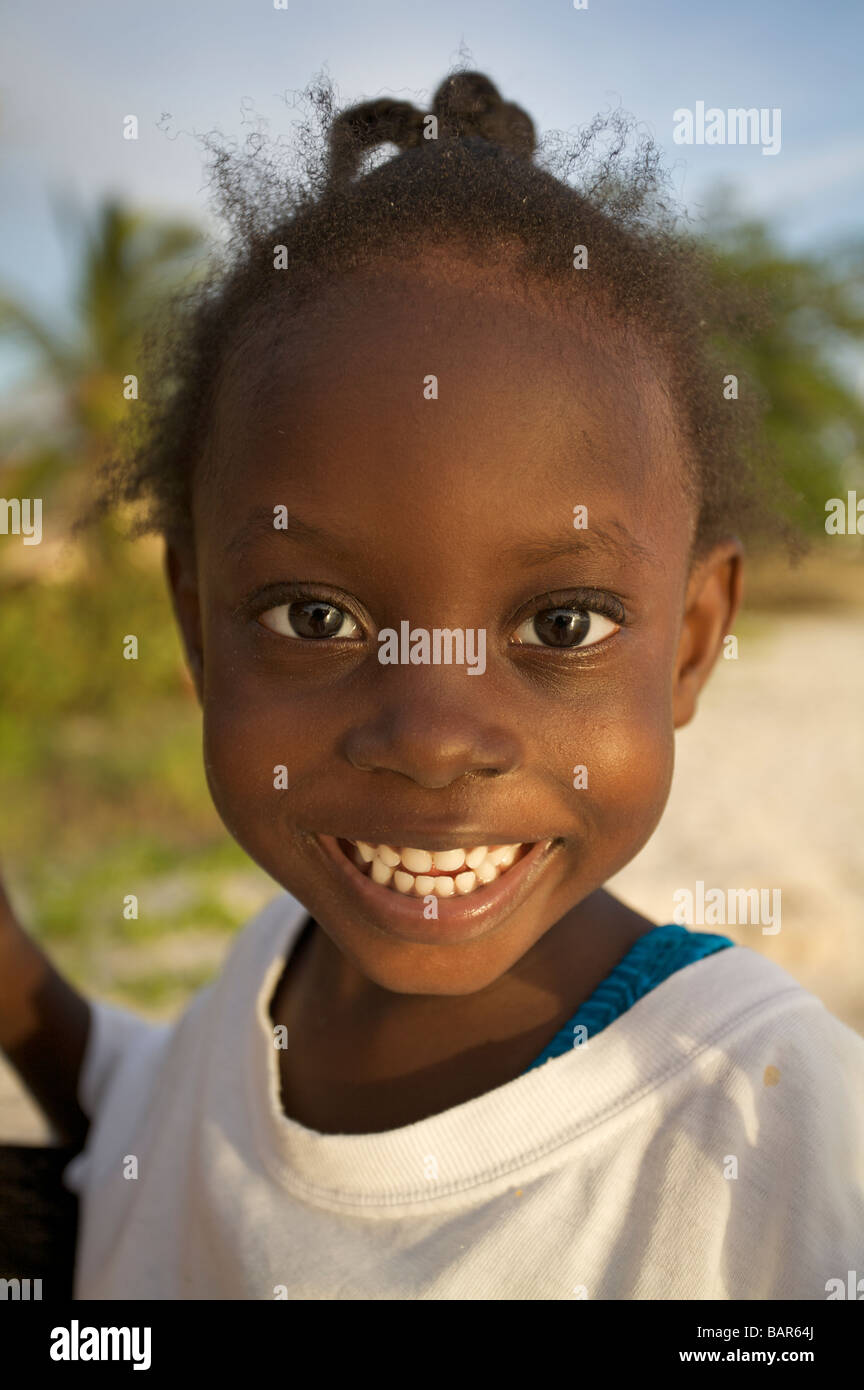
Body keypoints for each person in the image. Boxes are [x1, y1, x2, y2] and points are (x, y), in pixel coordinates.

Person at [2, 70, 862, 1300]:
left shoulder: (780, 1139)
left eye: (561, 621)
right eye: (316, 615)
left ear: (688, 641)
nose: (435, 736)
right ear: (196, 625)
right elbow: (156, 1128)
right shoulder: (278, 965)